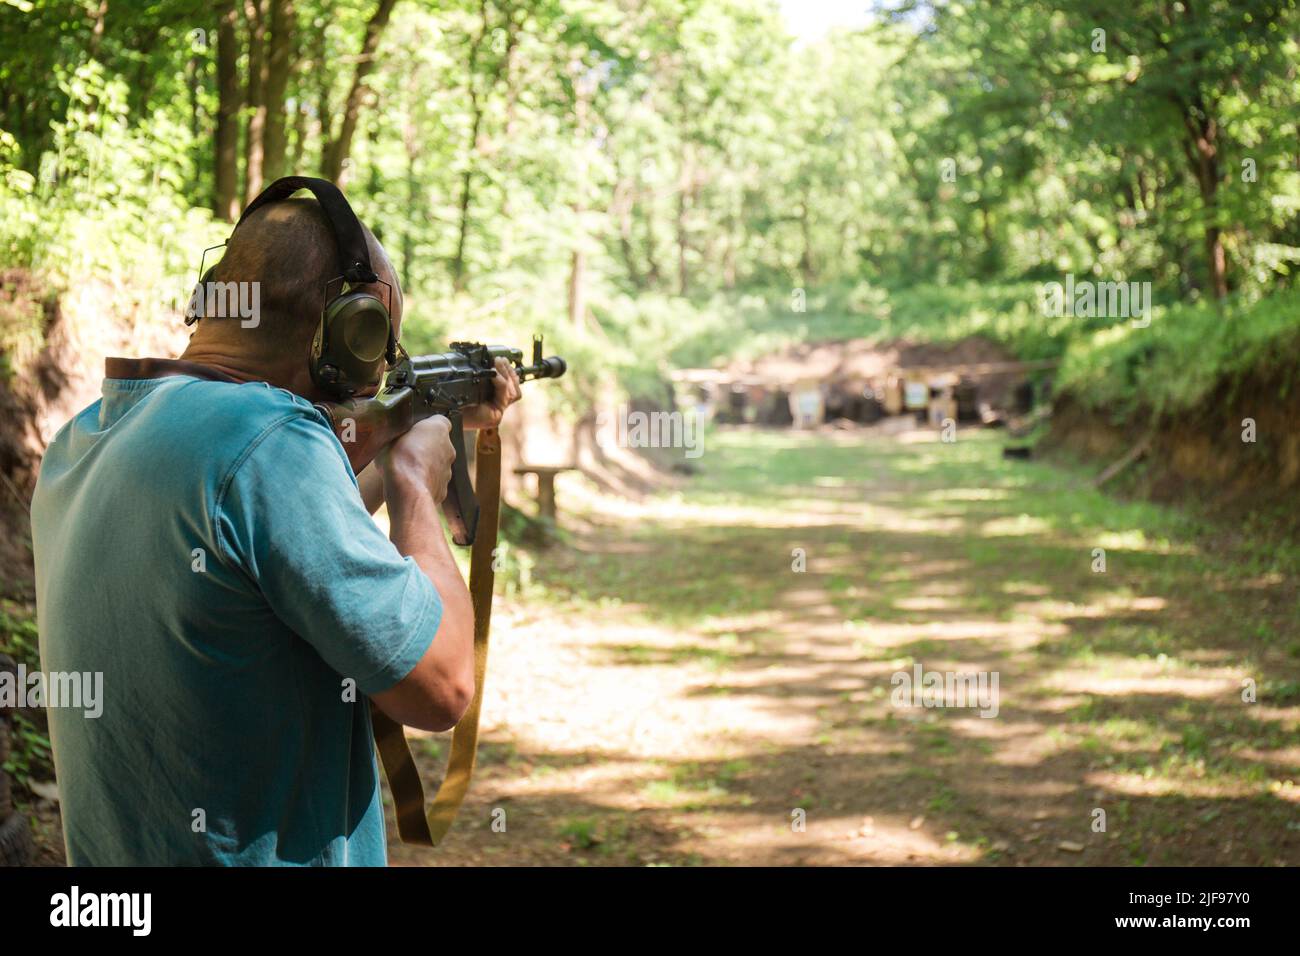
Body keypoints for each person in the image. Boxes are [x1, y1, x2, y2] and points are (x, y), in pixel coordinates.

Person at [30, 189, 521, 865]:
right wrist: (411, 482)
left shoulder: (83, 439)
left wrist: (402, 433)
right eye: (379, 346)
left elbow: (271, 548)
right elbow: (440, 686)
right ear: (351, 332)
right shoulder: (271, 443)